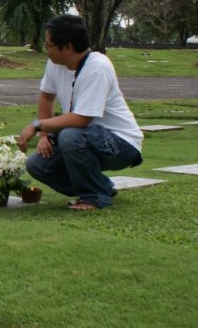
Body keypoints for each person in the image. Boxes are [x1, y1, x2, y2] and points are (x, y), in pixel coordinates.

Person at [18, 14, 143, 211]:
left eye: (49, 45)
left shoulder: (98, 66)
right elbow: (47, 97)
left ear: (67, 47)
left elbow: (82, 119)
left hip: (121, 144)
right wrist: (44, 136)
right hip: (85, 138)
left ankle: (95, 197)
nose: (46, 49)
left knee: (70, 136)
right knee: (37, 164)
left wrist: (37, 125)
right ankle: (102, 187)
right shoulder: (55, 64)